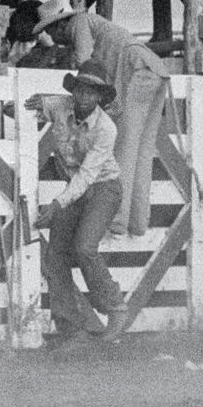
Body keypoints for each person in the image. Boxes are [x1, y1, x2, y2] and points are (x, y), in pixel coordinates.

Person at [33, 0, 171, 237]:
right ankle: (137, 223)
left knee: (124, 148)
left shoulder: (80, 23)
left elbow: (83, 63)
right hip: (155, 69)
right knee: (142, 150)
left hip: (137, 69)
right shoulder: (95, 24)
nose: (54, 39)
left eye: (51, 31)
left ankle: (116, 221)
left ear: (61, 24)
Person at [30, 60, 127, 344]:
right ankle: (70, 328)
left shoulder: (106, 129)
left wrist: (57, 205)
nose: (84, 97)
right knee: (56, 253)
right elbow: (22, 108)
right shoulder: (60, 106)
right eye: (81, 90)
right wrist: (20, 106)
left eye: (92, 92)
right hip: (74, 189)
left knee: (85, 246)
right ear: (74, 91)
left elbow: (87, 176)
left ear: (99, 98)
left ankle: (114, 306)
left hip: (103, 188)